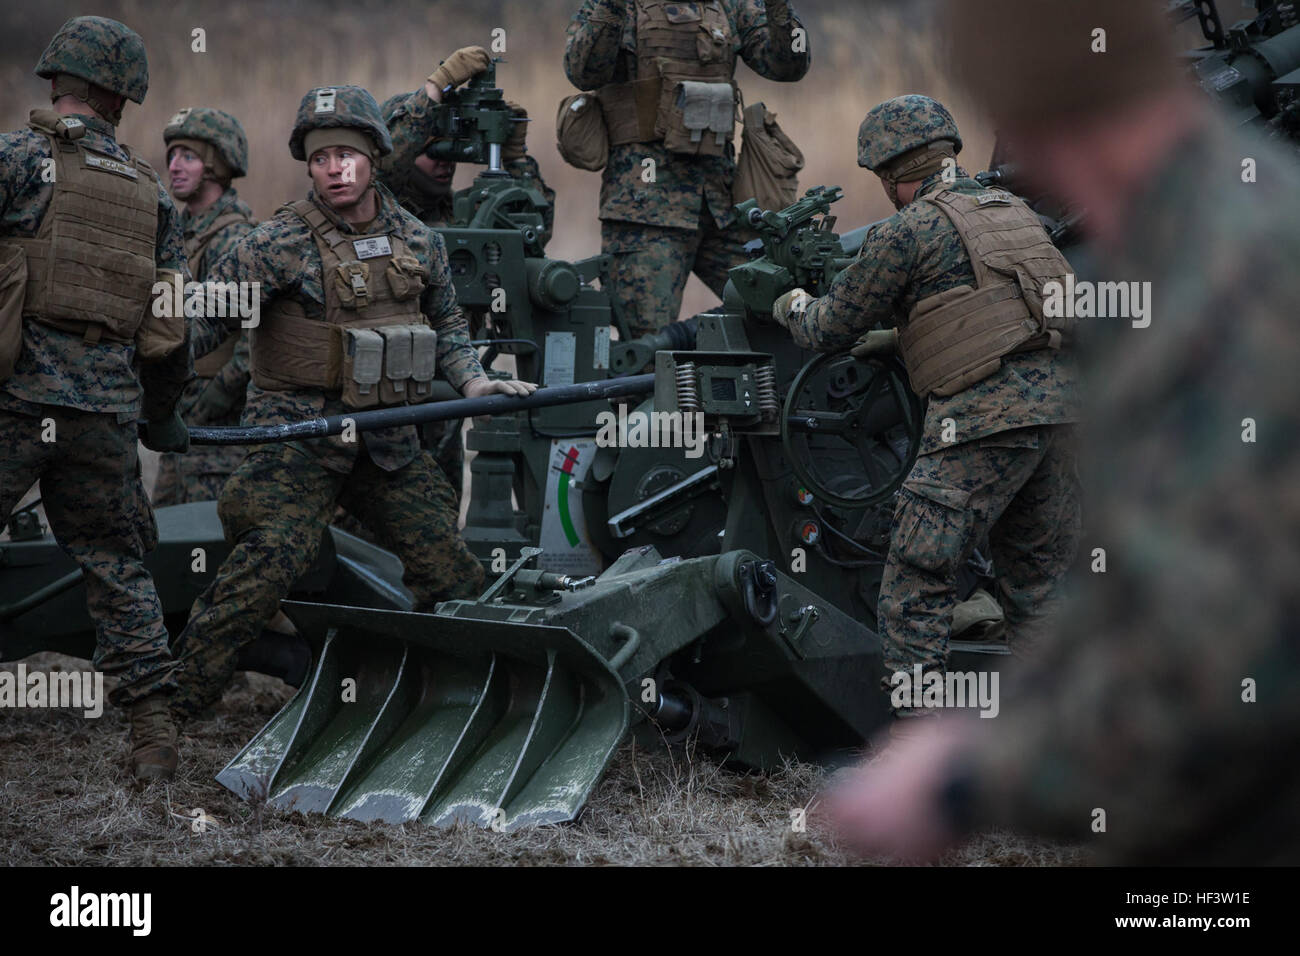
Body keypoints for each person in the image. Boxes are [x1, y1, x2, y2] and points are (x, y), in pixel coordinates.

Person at [827, 0, 1300, 864]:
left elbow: (1215, 652)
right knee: (1043, 581)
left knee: (919, 578)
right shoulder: (1221, 222)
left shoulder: (1230, 276)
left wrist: (960, 778)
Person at [168, 86, 536, 719]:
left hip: (386, 437)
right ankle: (168, 712)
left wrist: (476, 382)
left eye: (346, 155)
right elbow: (200, 323)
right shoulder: (274, 242)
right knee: (258, 575)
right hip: (296, 437)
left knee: (451, 574)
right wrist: (144, 370)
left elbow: (447, 326)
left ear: (373, 158)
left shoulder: (419, 241)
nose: (334, 169)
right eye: (320, 159)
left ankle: (440, 702)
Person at [772, 95, 1081, 731]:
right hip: (1058, 419)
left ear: (891, 176)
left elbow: (832, 325)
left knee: (917, 582)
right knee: (1038, 589)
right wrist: (905, 336)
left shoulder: (906, 229)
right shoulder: (1013, 211)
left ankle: (917, 755)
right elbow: (1005, 306)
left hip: (981, 423)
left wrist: (792, 303)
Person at [0, 16, 191, 781]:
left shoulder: (19, 157)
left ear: (56, 82)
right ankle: (154, 736)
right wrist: (162, 416)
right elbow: (169, 331)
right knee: (117, 566)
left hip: (15, 400)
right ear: (123, 99)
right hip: (106, 415)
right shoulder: (153, 196)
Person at [563, 0, 811, 338]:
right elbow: (582, 72)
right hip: (645, 211)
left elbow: (788, 67)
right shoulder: (622, 6)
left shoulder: (729, 6)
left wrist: (779, 10)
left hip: (722, 205)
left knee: (785, 315)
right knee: (646, 350)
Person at [154, 107, 257, 505]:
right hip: (182, 411)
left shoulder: (234, 238)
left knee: (204, 535)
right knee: (164, 534)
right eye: (172, 156)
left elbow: (255, 332)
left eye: (189, 157)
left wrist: (218, 394)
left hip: (219, 428)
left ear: (215, 167)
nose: (175, 167)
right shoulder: (179, 233)